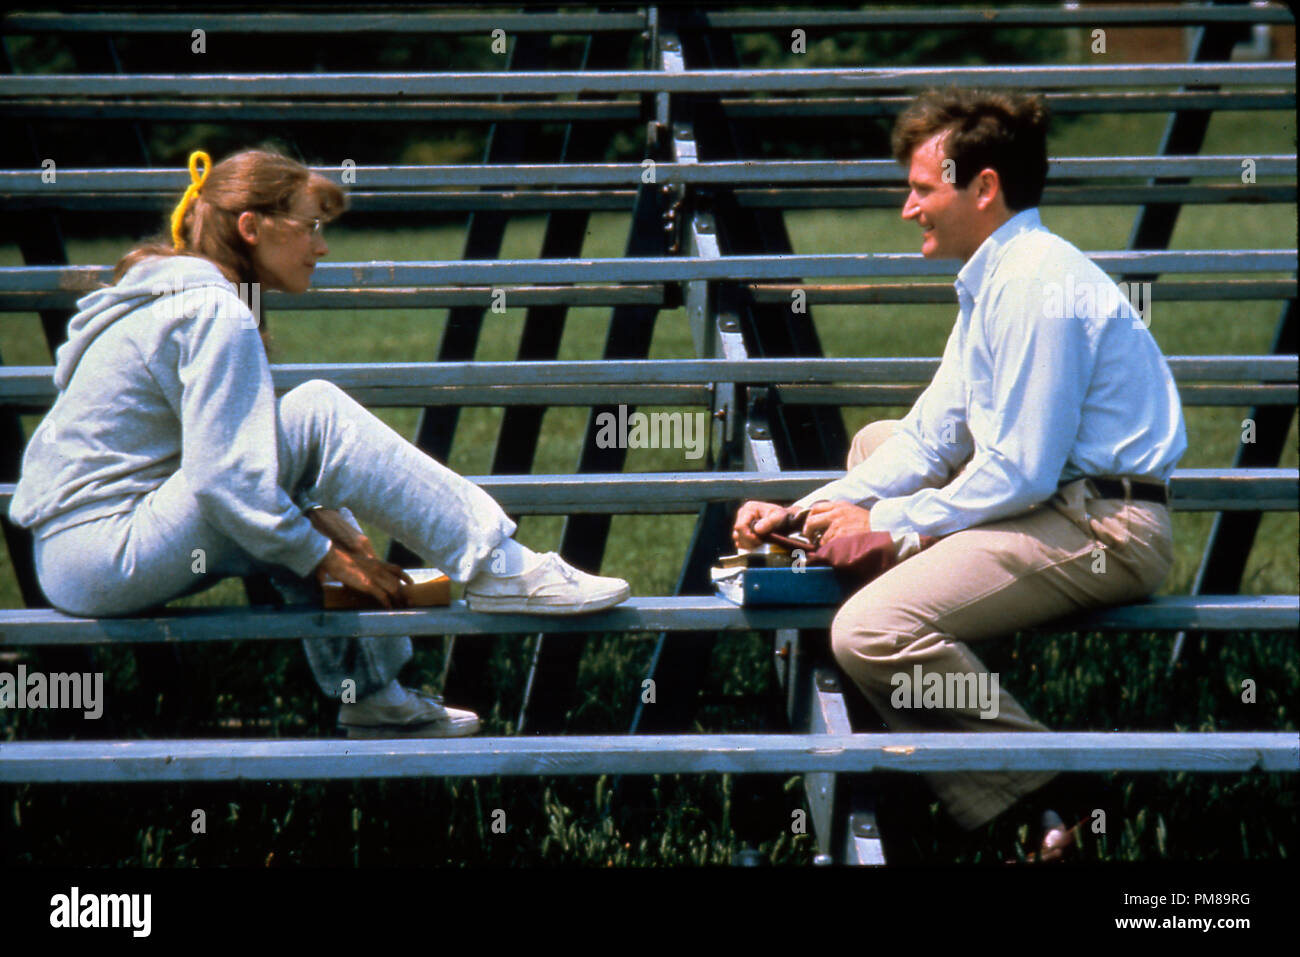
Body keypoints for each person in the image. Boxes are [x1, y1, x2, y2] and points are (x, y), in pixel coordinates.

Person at [9, 147, 631, 740]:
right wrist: (319, 551)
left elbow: (227, 469)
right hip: (100, 551)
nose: (321, 245)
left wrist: (308, 522)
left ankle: (373, 698)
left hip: (84, 553)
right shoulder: (211, 311)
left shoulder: (187, 295)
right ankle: (499, 569)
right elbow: (224, 480)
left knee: (297, 488)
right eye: (308, 226)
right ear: (252, 227)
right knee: (317, 413)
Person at [733, 88, 1186, 855]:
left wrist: (885, 523)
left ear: (984, 188)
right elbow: (923, 438)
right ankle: (931, 750)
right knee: (876, 447)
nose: (909, 208)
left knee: (870, 631)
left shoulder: (1040, 283)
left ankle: (1055, 795)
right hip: (1058, 502)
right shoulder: (995, 275)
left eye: (922, 189)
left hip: (1103, 525)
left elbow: (1022, 469)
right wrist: (803, 508)